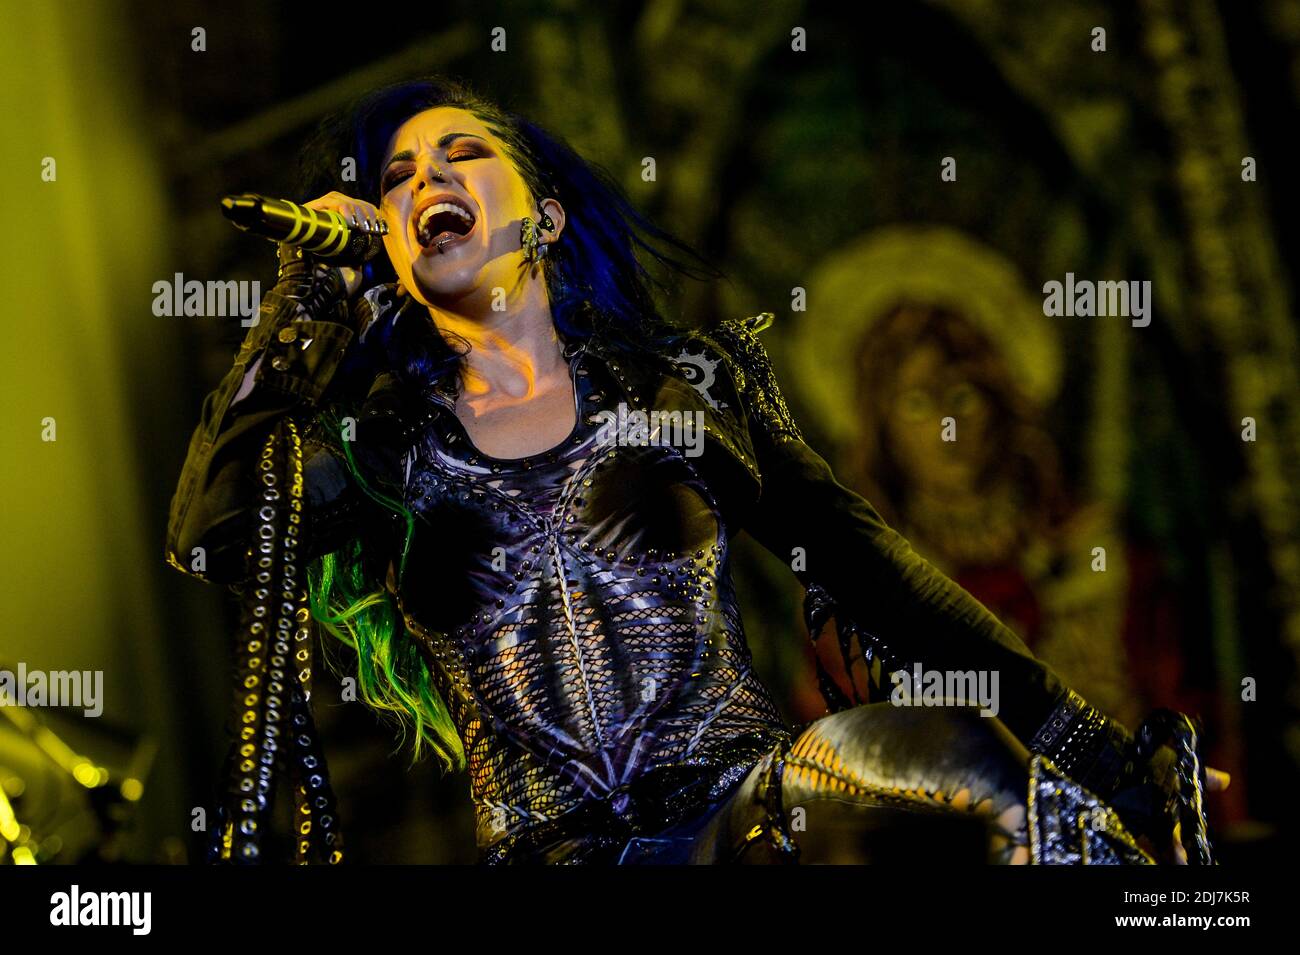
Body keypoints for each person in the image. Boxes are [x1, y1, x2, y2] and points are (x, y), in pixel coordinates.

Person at [166, 75, 1224, 865]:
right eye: (396, 179)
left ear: (544, 217)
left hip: (746, 811)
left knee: (951, 750)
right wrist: (298, 308)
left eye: (461, 155)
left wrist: (1103, 759)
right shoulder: (374, 452)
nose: (424, 179)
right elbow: (211, 535)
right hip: (548, 851)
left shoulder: (683, 386)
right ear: (390, 253)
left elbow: (884, 586)